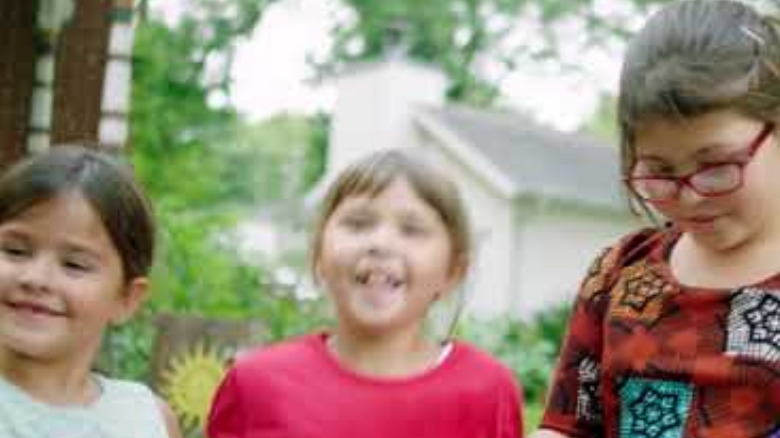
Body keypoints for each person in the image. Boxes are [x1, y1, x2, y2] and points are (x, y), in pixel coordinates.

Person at [532, 1, 780, 437]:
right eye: (660, 172)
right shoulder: (617, 273)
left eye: (716, 166)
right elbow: (568, 428)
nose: (690, 196)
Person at [207, 149, 523, 438]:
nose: (381, 243)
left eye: (411, 230)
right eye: (358, 224)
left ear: (453, 271)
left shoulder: (488, 390)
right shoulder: (255, 385)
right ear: (319, 256)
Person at [0, 146, 182, 438]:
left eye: (74, 264)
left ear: (126, 298)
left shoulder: (147, 419)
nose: (35, 278)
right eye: (15, 251)